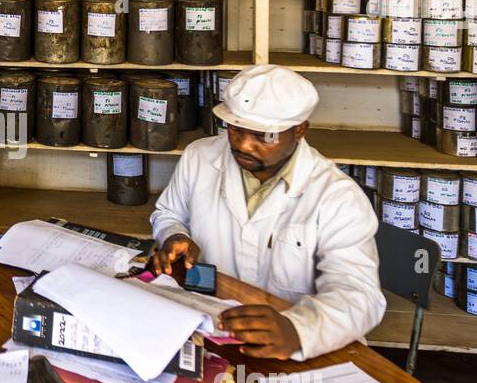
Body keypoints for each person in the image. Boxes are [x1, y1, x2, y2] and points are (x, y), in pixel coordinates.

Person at [150, 64, 384, 361]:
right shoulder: (200, 156)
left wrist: (299, 329)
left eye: (264, 136)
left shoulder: (338, 197)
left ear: (299, 130)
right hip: (209, 327)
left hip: (294, 349)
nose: (244, 144)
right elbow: (168, 213)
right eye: (235, 129)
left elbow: (360, 296)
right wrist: (174, 235)